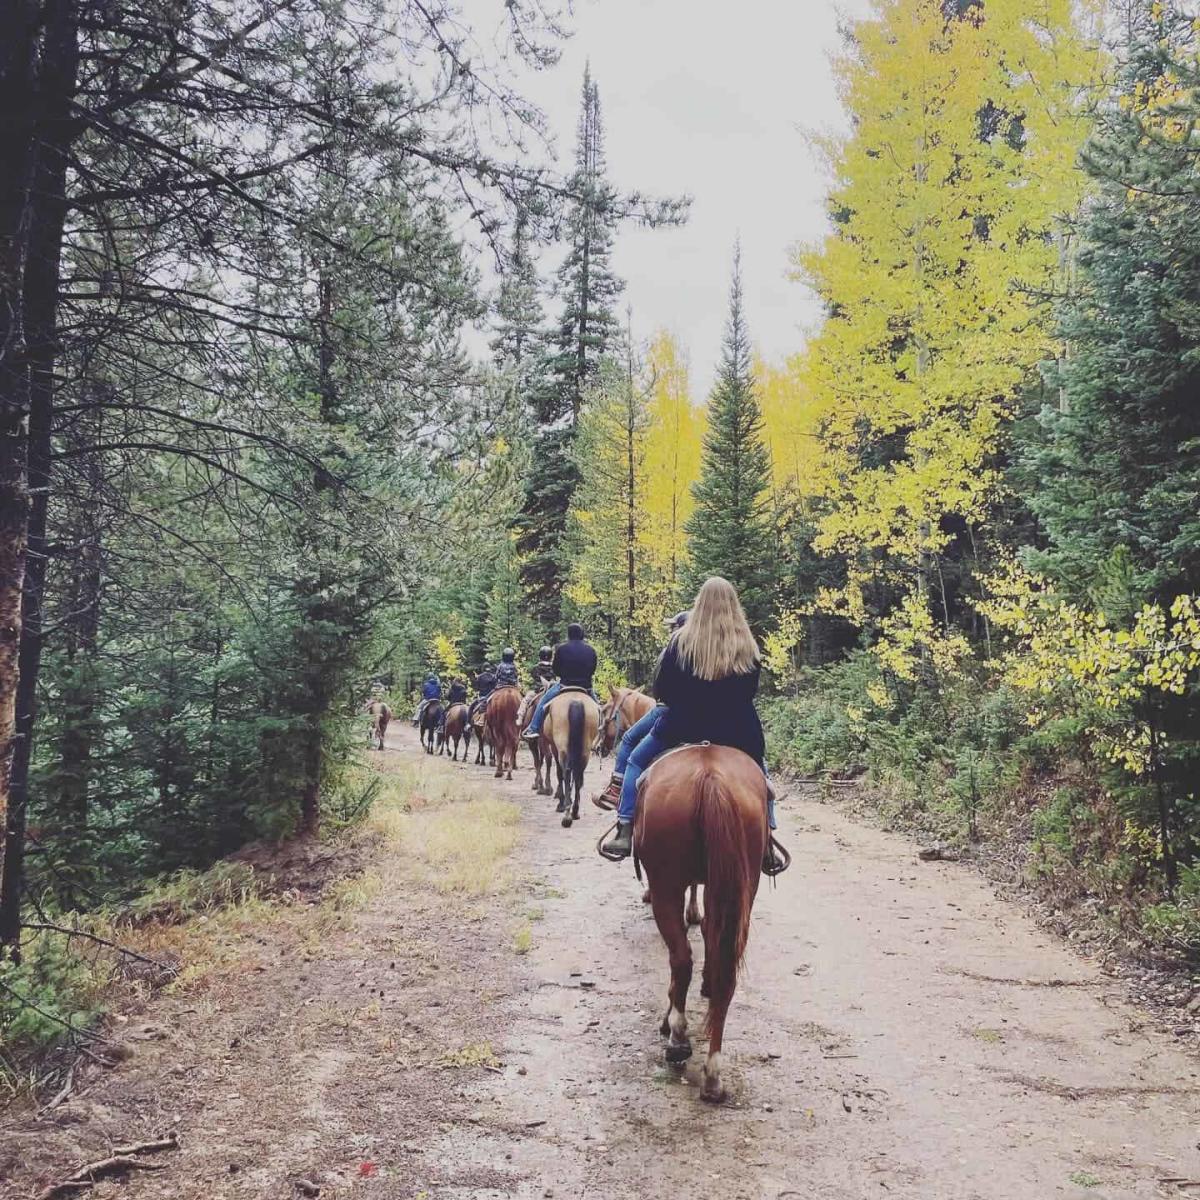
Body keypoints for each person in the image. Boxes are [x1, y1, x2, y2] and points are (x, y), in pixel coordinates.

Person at [600, 578, 780, 871]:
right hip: (737, 730)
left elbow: (664, 691)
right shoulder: (748, 644)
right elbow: (750, 692)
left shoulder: (680, 642)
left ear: (700, 603)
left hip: (681, 726)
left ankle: (623, 829)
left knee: (634, 760)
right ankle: (769, 838)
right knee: (761, 775)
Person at [594, 610, 688, 809]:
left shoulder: (672, 650)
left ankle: (617, 792)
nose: (671, 630)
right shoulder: (712, 648)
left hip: (670, 712)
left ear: (679, 628)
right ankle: (769, 820)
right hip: (712, 718)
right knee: (756, 760)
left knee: (629, 741)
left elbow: (661, 687)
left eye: (673, 627)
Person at [522, 623, 598, 742]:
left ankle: (534, 728)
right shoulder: (590, 650)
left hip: (564, 685)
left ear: (569, 634)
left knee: (542, 703)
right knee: (599, 708)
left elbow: (556, 670)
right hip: (586, 686)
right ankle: (602, 732)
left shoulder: (561, 649)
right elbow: (593, 669)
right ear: (581, 634)